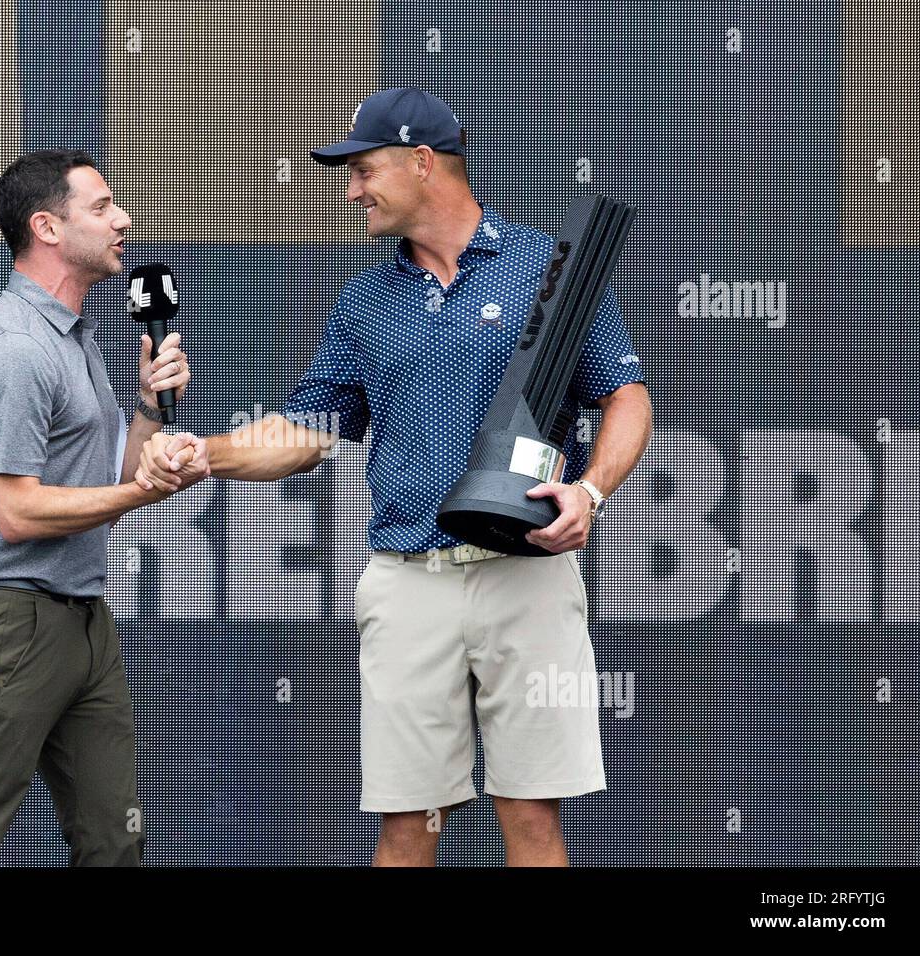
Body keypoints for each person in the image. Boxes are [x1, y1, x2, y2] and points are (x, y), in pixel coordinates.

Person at [135, 88, 653, 866]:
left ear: (421, 163)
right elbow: (308, 432)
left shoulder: (546, 267)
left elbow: (625, 395)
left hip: (531, 577)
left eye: (362, 170)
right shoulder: (364, 302)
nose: (351, 191)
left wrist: (590, 493)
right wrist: (203, 452)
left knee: (533, 819)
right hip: (408, 582)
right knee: (409, 827)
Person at [0, 148, 209, 867]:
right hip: (9, 625)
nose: (124, 220)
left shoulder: (73, 339)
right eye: (103, 207)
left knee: (114, 840)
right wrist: (145, 489)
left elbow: (105, 482)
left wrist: (146, 409)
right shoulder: (15, 348)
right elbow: (16, 512)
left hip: (83, 620)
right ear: (46, 226)